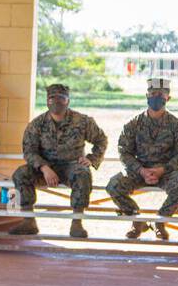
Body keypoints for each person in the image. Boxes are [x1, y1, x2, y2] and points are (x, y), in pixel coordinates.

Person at [8, 84, 106, 239]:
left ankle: (77, 222)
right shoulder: (37, 124)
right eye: (52, 98)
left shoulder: (81, 121)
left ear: (67, 101)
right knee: (20, 174)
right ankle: (28, 221)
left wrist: (91, 158)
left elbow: (101, 140)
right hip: (45, 168)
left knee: (83, 174)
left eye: (61, 98)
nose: (56, 102)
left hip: (71, 166)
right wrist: (44, 167)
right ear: (47, 101)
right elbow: (29, 151)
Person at [104, 77, 178, 241]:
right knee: (114, 185)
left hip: (167, 171)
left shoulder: (177, 126)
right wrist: (141, 170)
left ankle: (160, 221)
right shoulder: (134, 124)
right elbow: (124, 152)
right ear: (146, 96)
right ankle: (136, 220)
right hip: (139, 170)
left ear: (168, 98)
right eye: (152, 94)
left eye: (160, 94)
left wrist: (163, 169)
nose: (156, 98)